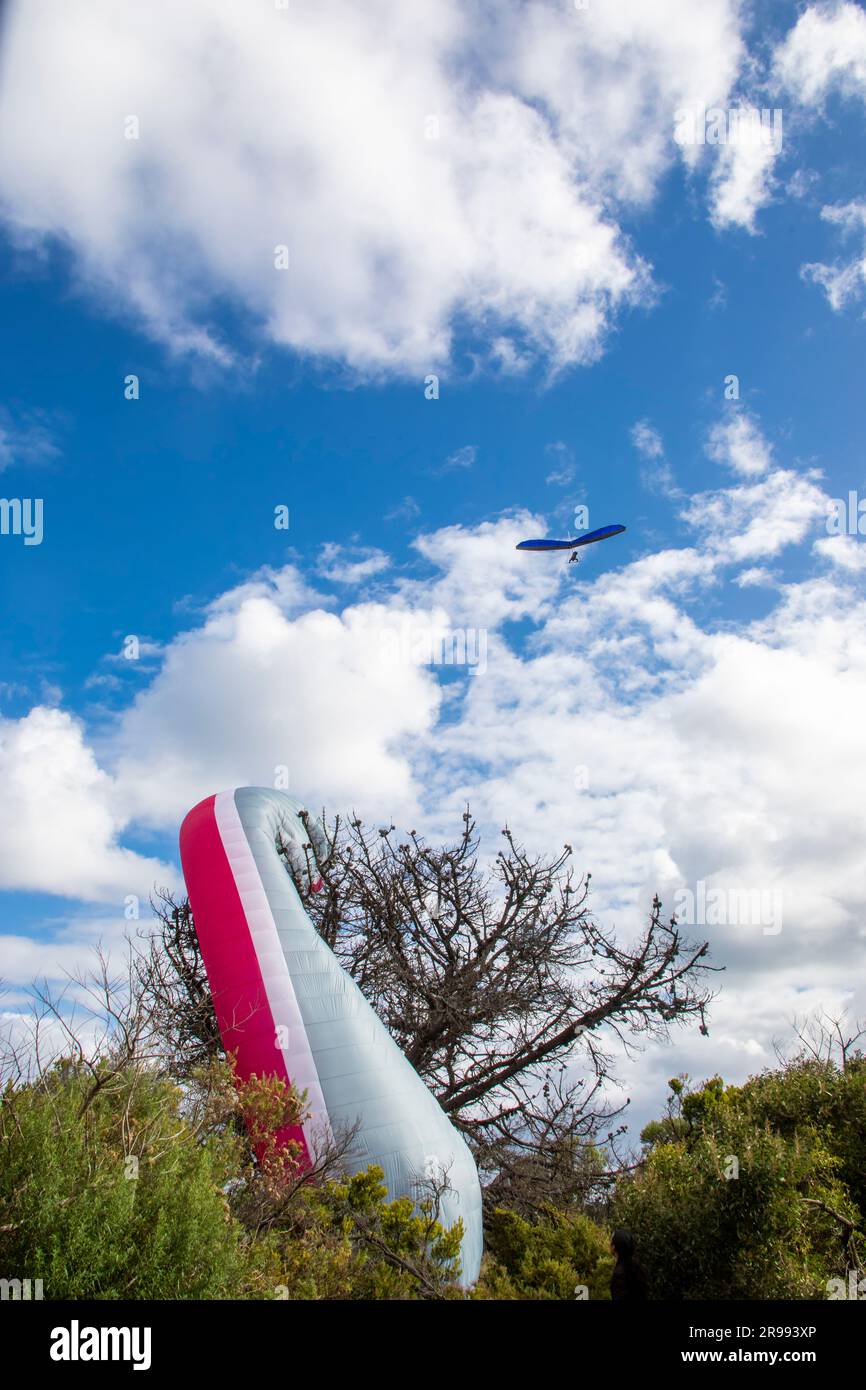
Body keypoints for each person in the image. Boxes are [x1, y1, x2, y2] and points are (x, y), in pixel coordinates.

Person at [609, 1228, 648, 1301]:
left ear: (614, 1247)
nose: (609, 1243)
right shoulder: (637, 1267)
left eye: (611, 1240)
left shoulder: (619, 1274)